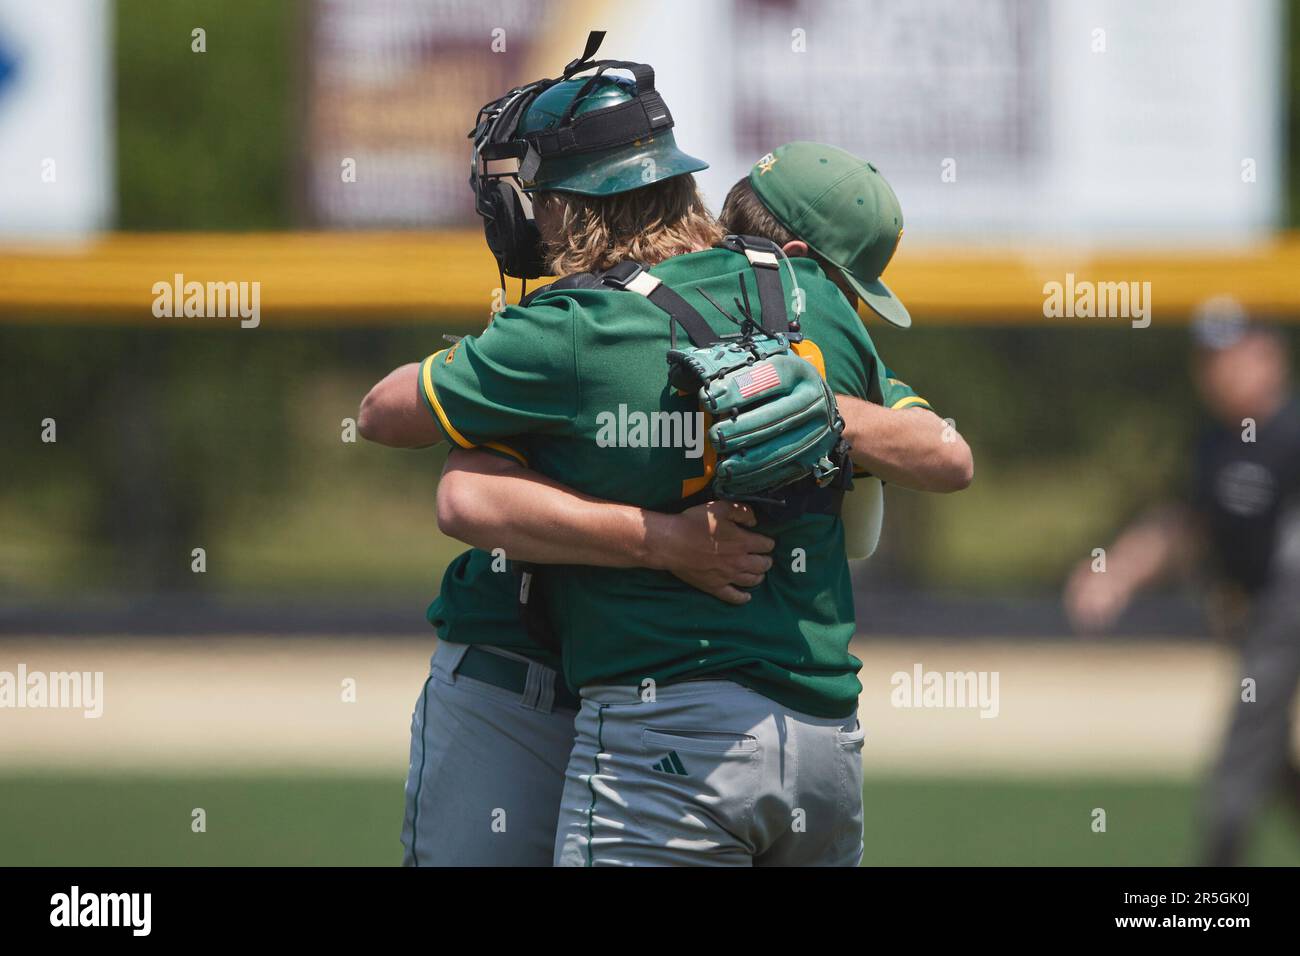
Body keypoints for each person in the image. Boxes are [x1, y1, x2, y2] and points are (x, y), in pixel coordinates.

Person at [363, 80, 970, 864]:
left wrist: (668, 532)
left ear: (567, 206)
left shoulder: (571, 325)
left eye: (539, 195)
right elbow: (949, 454)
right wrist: (806, 400)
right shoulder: (807, 297)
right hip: (815, 732)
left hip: (633, 725)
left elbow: (399, 431)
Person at [1064, 300, 1300, 865]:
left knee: (1243, 752)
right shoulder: (1216, 444)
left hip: (1284, 614)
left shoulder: (1291, 431)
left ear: (1269, 356)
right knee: (1265, 753)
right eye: (1208, 358)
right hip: (1262, 623)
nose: (1217, 370)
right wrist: (1116, 571)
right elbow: (1187, 525)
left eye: (1231, 355)